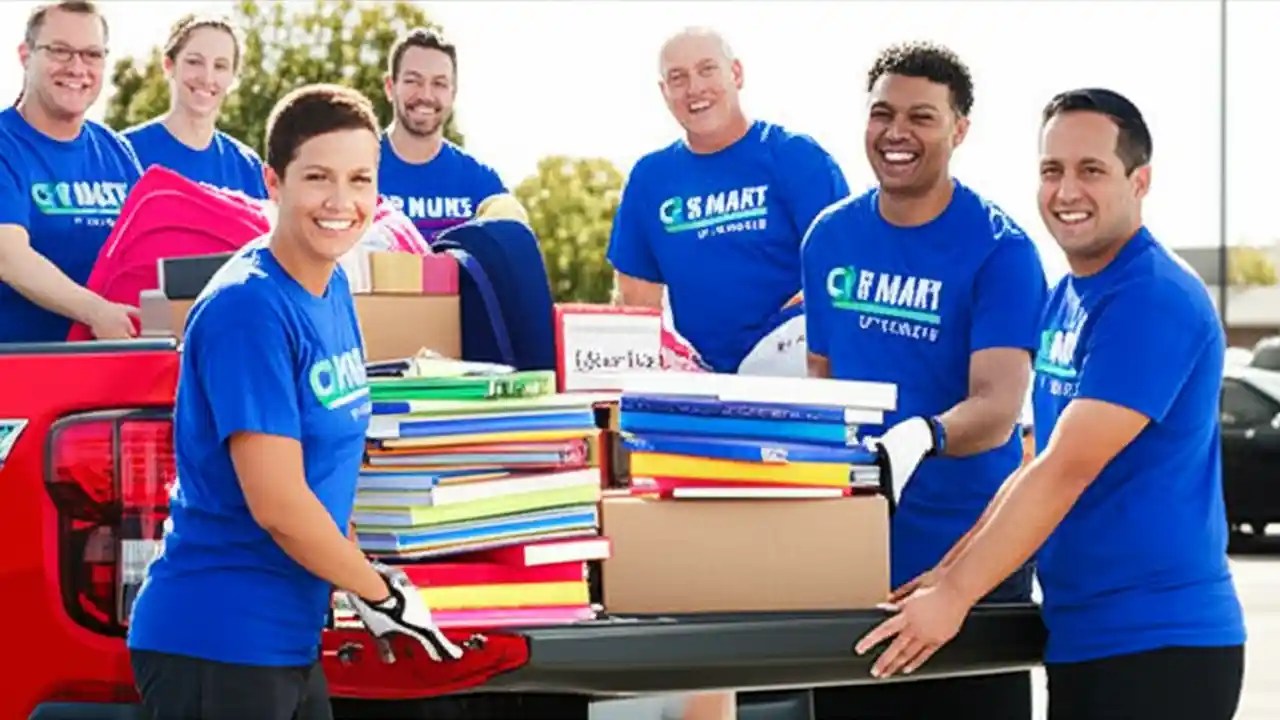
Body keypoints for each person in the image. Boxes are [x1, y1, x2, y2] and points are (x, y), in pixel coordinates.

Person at [855, 88, 1247, 720]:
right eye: (1051, 170)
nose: (1066, 191)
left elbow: (1067, 467)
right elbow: (1033, 462)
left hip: (1161, 645)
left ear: (1139, 181)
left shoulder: (1150, 298)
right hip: (1084, 638)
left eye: (1091, 170)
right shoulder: (1068, 294)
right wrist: (947, 574)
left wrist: (956, 597)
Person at [127, 83, 464, 720]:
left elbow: (326, 473)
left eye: (360, 180)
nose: (341, 202)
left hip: (288, 639)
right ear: (273, 182)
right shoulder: (248, 308)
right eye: (317, 177)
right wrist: (381, 593)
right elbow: (278, 503)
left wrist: (360, 575)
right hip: (218, 640)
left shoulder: (331, 286)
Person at [801, 41, 1048, 719]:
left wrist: (919, 435)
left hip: (968, 565)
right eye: (883, 113)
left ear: (959, 130)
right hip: (856, 565)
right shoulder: (828, 237)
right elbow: (821, 380)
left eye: (922, 117)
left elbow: (998, 407)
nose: (896, 132)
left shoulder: (1001, 250)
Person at [607, 26, 850, 375]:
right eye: (678, 77)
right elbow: (636, 307)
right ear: (664, 92)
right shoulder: (650, 178)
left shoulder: (797, 157)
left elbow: (841, 272)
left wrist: (772, 349)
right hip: (699, 378)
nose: (695, 88)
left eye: (707, 69)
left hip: (796, 367)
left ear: (736, 73)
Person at [0, 0, 144, 343]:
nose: (77, 67)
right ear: (25, 55)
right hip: (19, 365)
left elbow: (151, 250)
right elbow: (9, 257)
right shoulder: (6, 145)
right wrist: (95, 312)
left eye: (91, 54)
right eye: (60, 51)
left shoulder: (117, 152)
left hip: (110, 366)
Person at [378, 28, 507, 241]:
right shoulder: (355, 171)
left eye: (439, 84)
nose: (426, 95)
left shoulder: (482, 184)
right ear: (390, 87)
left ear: (453, 93)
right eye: (413, 81)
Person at [122, 13, 268, 199]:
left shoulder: (247, 167)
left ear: (233, 76)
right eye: (194, 62)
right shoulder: (125, 153)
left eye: (220, 66)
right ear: (169, 65)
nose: (207, 78)